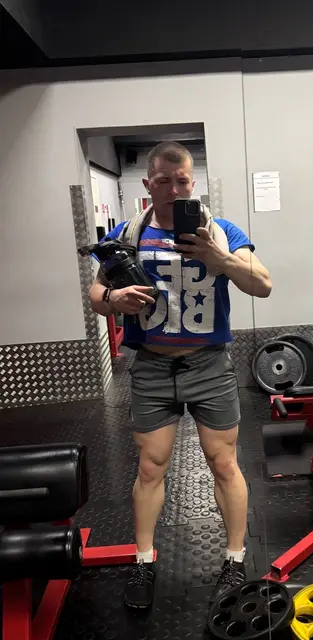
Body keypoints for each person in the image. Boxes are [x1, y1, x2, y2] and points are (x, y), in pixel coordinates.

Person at [89, 141, 272, 609]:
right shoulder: (128, 233)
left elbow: (263, 285)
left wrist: (220, 259)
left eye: (183, 181)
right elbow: (96, 294)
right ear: (148, 184)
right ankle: (143, 561)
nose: (174, 189)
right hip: (151, 367)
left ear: (194, 182)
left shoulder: (222, 232)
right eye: (163, 181)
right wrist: (113, 300)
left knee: (223, 462)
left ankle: (234, 560)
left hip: (209, 365)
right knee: (151, 467)